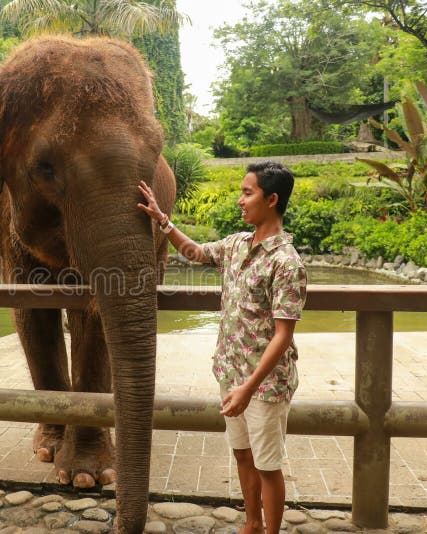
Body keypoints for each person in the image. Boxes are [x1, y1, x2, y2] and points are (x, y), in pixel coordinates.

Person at [138, 161, 307, 534]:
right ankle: (251, 524)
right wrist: (163, 221)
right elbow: (195, 252)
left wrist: (249, 388)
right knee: (243, 455)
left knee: (267, 464)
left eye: (248, 193)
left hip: (264, 385)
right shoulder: (235, 245)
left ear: (272, 199)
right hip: (230, 374)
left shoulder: (286, 263)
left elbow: (283, 335)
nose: (239, 200)